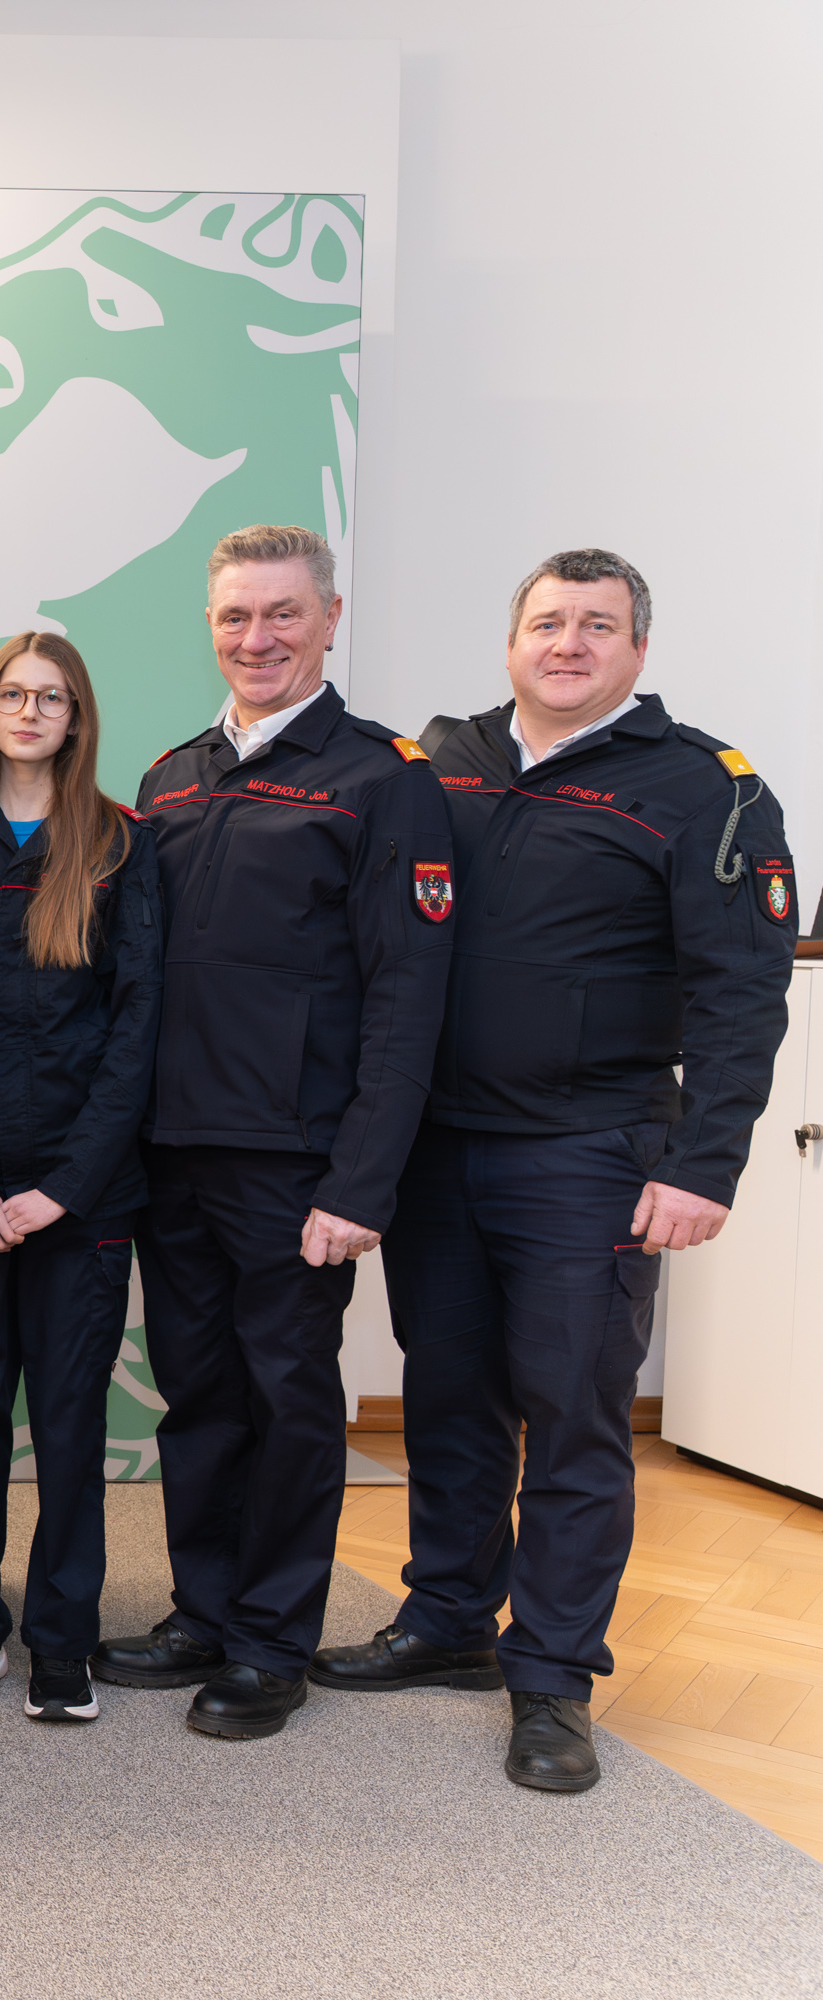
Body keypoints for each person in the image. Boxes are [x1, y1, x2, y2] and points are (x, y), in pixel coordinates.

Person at [315, 549, 794, 1792]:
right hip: (437, 1149)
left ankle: (555, 1676)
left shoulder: (704, 789)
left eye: (598, 624)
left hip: (591, 1152)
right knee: (452, 1394)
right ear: (511, 639)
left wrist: (707, 1163)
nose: (568, 642)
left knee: (577, 1414)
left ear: (639, 650)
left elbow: (743, 992)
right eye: (546, 621)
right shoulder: (440, 759)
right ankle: (447, 1619)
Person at [99, 523, 454, 1742]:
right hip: (173, 1151)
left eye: (283, 615)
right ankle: (204, 1608)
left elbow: (408, 997)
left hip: (298, 1164)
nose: (258, 638)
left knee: (290, 1398)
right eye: (236, 617)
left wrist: (361, 1181)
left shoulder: (384, 778)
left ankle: (270, 1640)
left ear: (329, 617)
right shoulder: (170, 776)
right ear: (211, 626)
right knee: (196, 1394)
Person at [0, 637, 161, 1722]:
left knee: (66, 1416)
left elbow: (137, 1032)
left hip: (82, 1194)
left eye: (49, 696)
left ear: (76, 716)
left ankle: (62, 1635)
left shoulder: (117, 845)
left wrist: (64, 1187)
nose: (28, 710)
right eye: (11, 694)